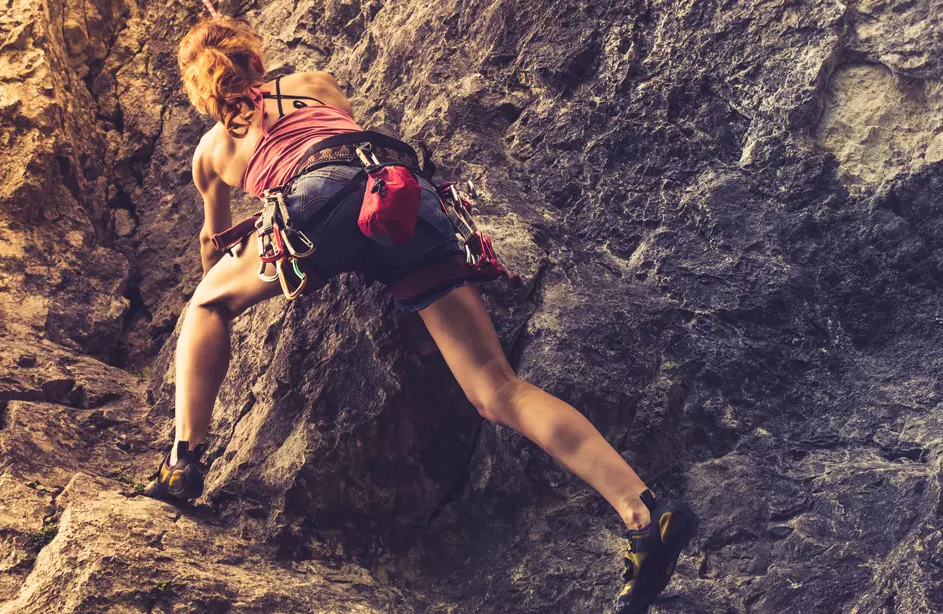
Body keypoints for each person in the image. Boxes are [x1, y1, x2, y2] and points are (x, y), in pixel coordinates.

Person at [144, 16, 699, 613]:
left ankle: (184, 460)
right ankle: (644, 512)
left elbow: (213, 248)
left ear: (201, 91)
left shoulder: (211, 152)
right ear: (256, 61)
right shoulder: (314, 82)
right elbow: (339, 138)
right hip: (399, 201)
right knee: (497, 390)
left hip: (314, 209)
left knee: (207, 303)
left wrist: (228, 273)